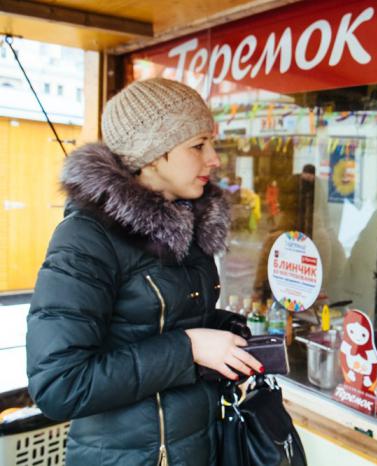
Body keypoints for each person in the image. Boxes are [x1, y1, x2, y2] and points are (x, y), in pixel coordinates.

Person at [25, 78, 263, 466]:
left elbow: (154, 322)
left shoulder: (189, 224)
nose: (215, 158)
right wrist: (190, 348)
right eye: (198, 145)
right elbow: (59, 384)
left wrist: (222, 331)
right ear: (152, 155)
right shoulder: (85, 239)